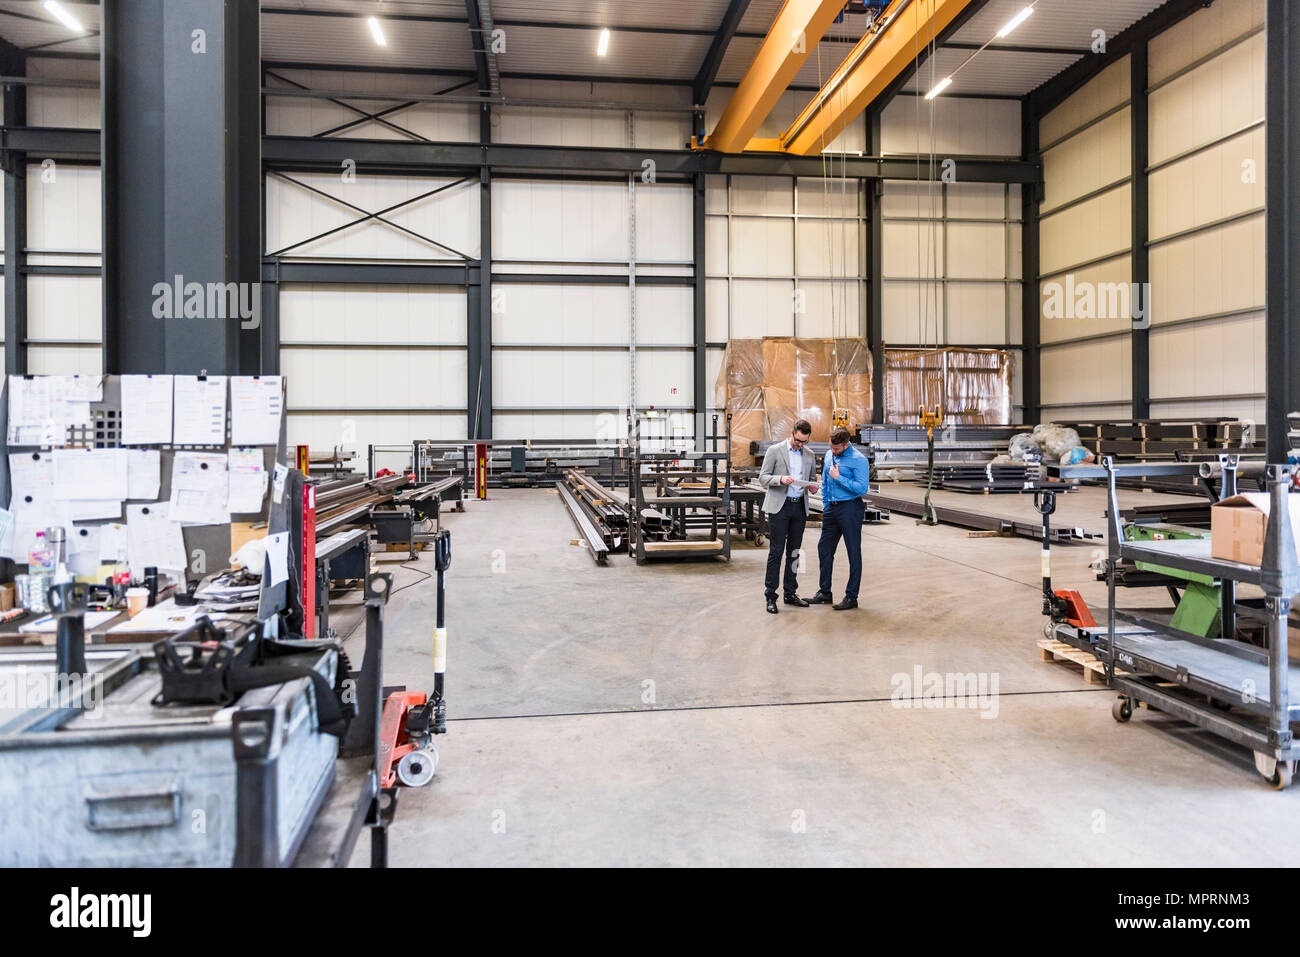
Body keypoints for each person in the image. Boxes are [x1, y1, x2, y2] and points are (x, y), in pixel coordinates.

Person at [757, 419, 819, 615]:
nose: (800, 445)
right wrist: (781, 479)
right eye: (798, 440)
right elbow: (763, 478)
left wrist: (813, 486)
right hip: (780, 508)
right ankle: (770, 595)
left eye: (804, 442)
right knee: (776, 551)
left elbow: (811, 480)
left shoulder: (809, 455)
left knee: (795, 552)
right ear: (792, 433)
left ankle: (790, 593)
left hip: (799, 507)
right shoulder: (775, 451)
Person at [810, 427, 872, 610]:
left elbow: (861, 488)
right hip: (832, 508)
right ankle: (824, 592)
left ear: (846, 444)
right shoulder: (830, 454)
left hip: (850, 508)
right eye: (831, 447)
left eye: (836, 449)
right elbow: (825, 482)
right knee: (824, 549)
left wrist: (839, 478)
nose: (833, 451)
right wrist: (826, 504)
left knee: (853, 552)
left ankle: (852, 597)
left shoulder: (859, 460)